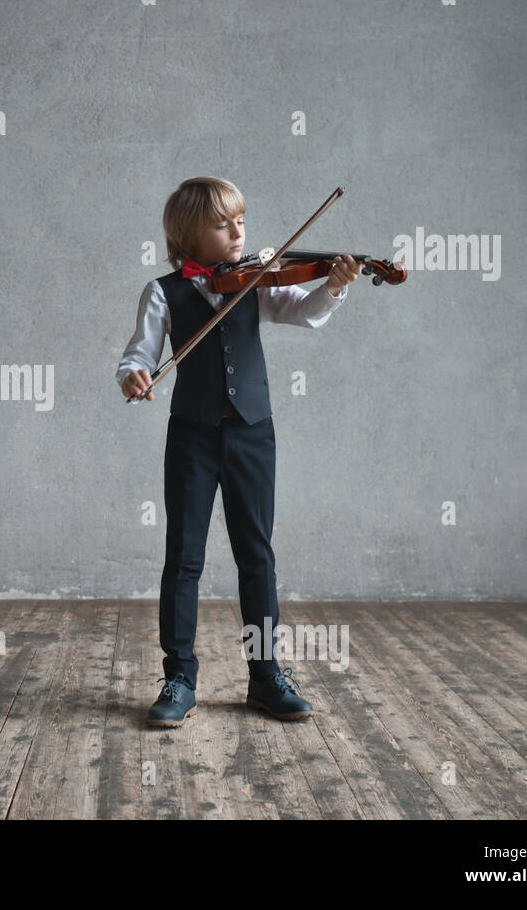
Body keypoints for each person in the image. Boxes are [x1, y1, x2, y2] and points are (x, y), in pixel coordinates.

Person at [116, 177, 361, 727]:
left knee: (257, 556)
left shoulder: (257, 281)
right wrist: (133, 376)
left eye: (241, 220)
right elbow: (137, 355)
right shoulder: (163, 292)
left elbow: (307, 310)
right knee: (184, 559)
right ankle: (179, 676)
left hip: (253, 432)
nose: (237, 231)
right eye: (222, 222)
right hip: (193, 436)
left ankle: (266, 676)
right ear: (188, 234)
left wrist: (337, 286)